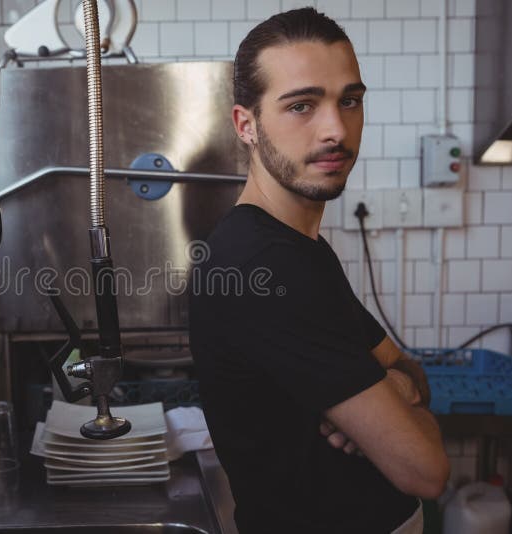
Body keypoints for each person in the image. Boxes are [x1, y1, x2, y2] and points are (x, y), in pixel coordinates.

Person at [188, 8, 449, 534]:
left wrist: (396, 388)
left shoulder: (299, 249)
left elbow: (409, 369)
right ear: (247, 124)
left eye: (349, 101)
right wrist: (397, 394)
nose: (336, 129)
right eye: (301, 106)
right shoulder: (264, 266)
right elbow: (427, 470)